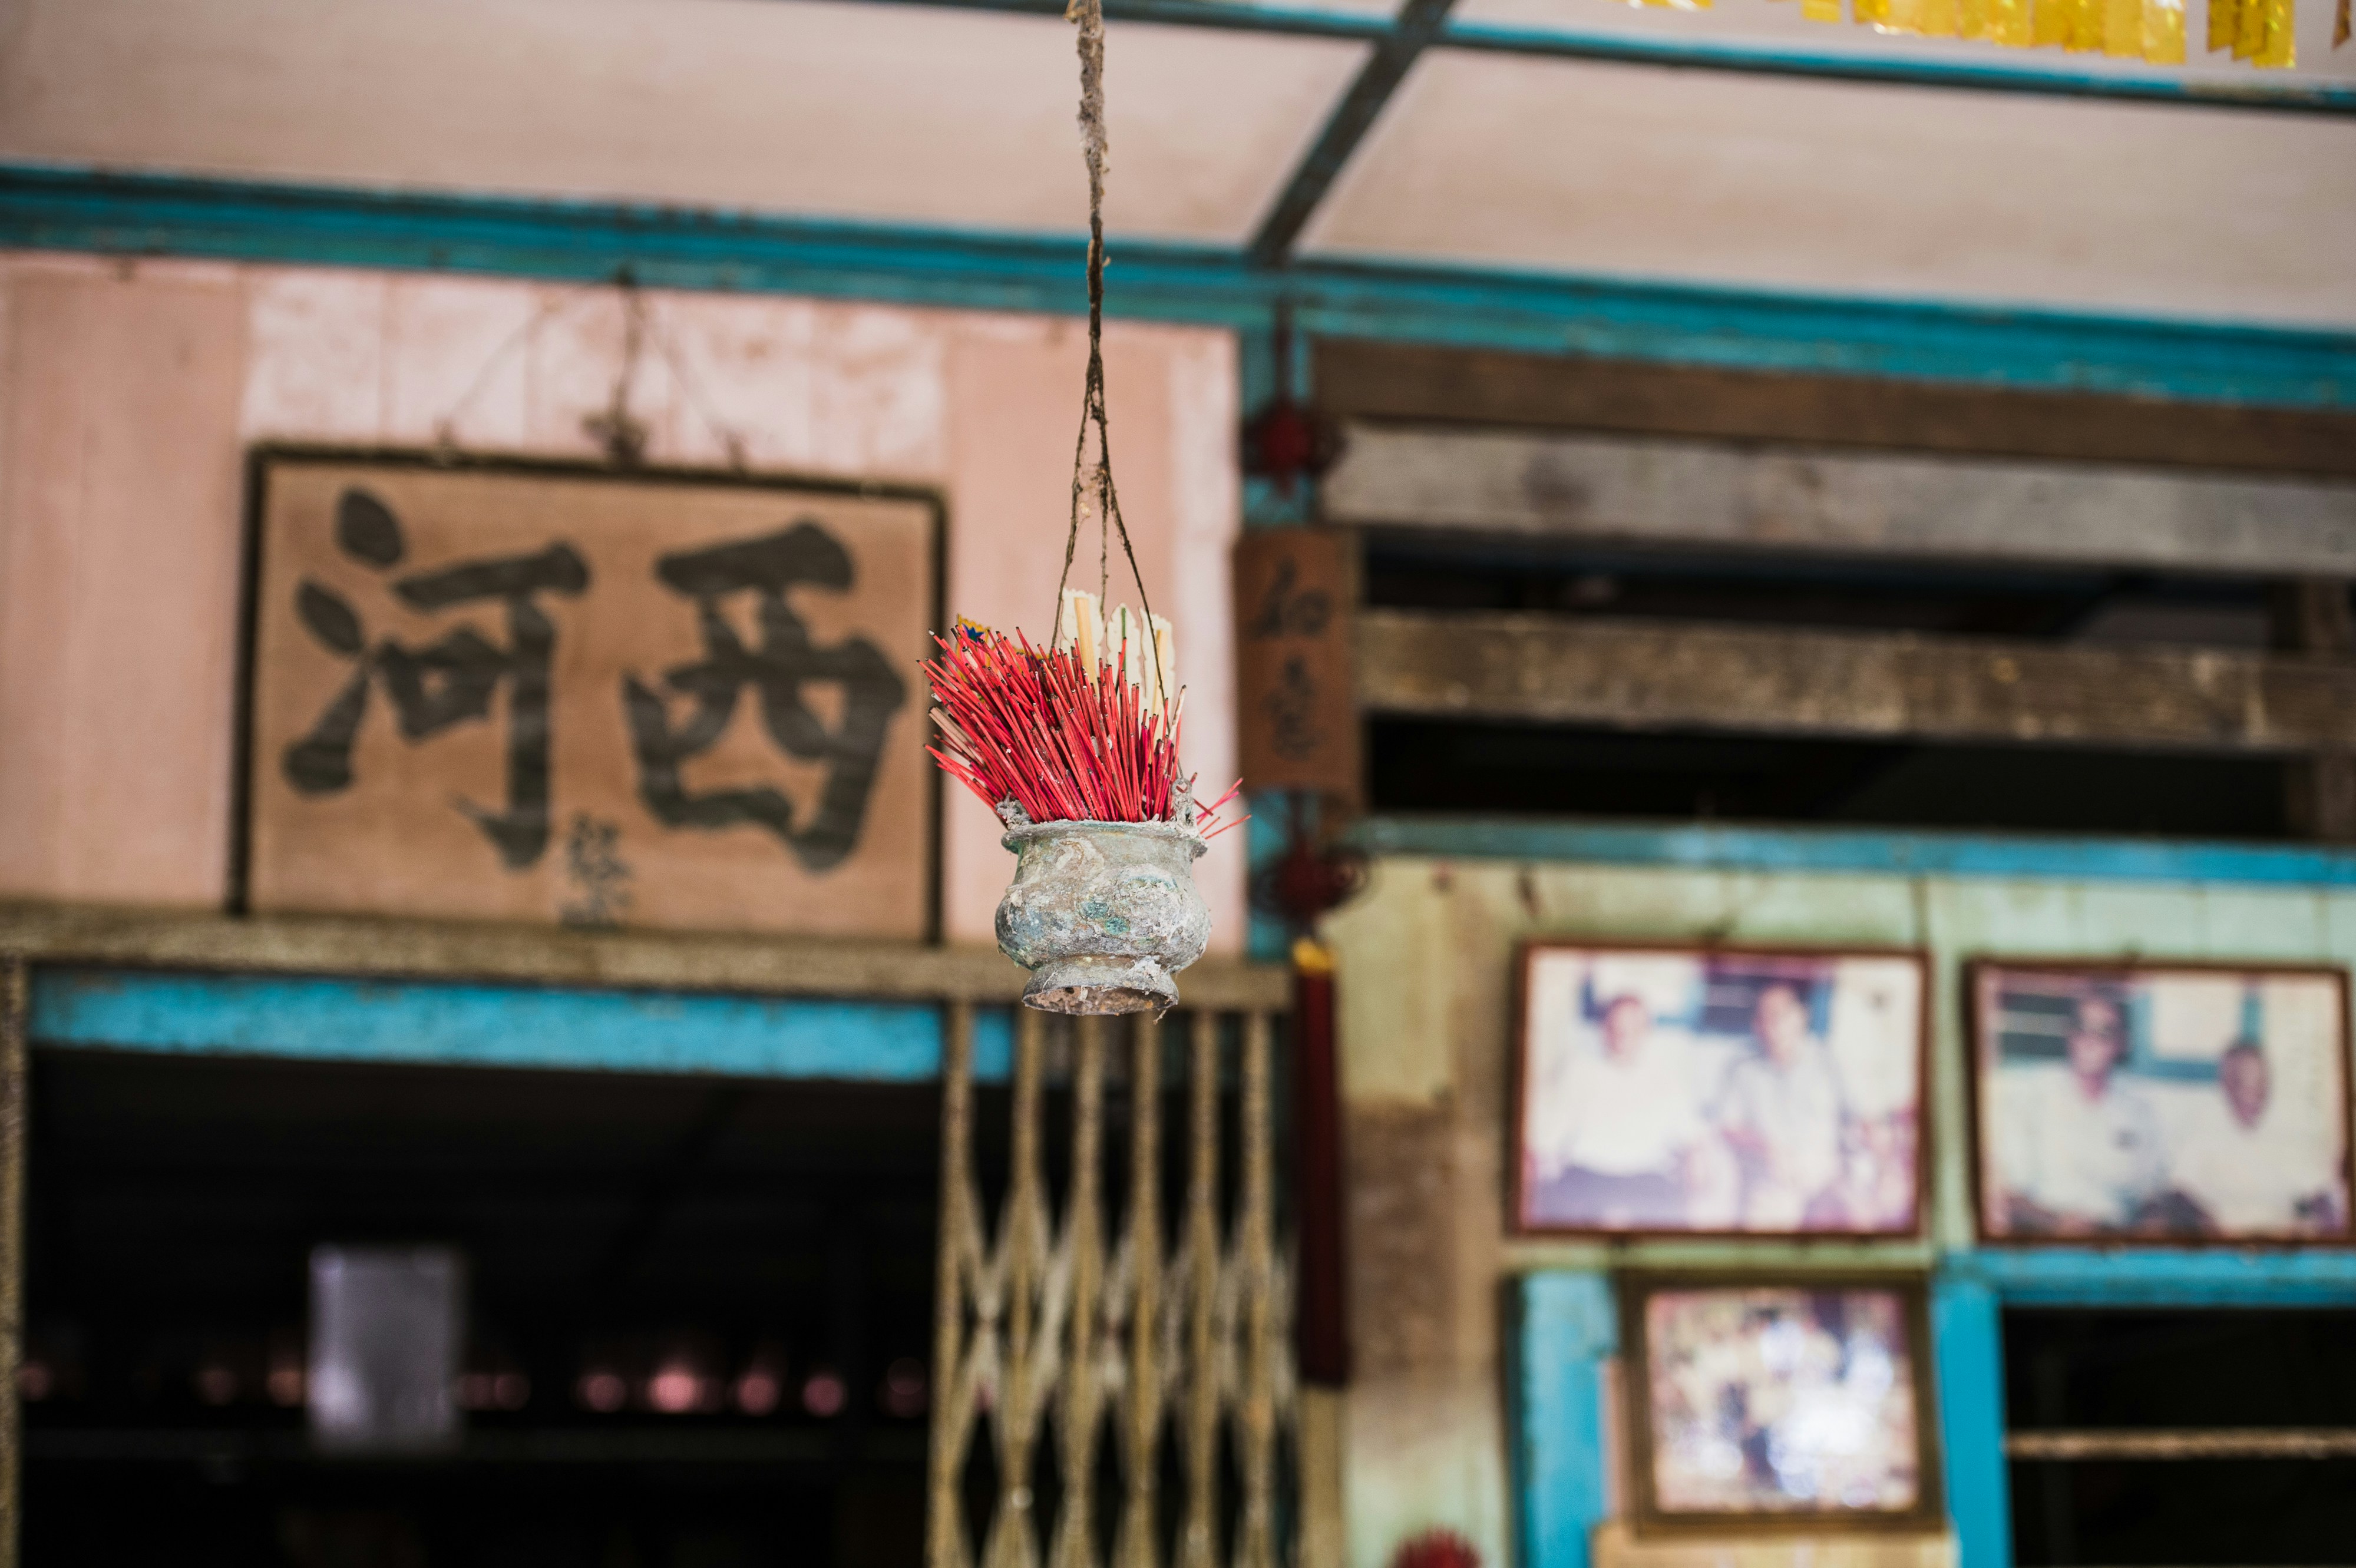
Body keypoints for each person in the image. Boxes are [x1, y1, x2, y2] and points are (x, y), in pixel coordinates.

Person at [1526, 992, 1709, 1228]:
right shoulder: (1578, 1072)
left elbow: (1693, 1141)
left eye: (1632, 1027)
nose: (1622, 1034)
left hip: (1647, 1178)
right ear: (1603, 1028)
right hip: (1587, 1177)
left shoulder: (1667, 1078)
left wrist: (1697, 1175)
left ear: (1645, 1031)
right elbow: (1546, 1138)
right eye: (1615, 1025)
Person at [1994, 995, 2172, 1235]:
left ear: (2121, 1043)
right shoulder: (2032, 1096)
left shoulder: (2139, 1110)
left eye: (2104, 1032)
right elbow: (2006, 1196)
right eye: (2082, 1028)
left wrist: (2145, 1228)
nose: (2090, 1041)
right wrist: (2054, 1223)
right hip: (2047, 1232)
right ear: (2069, 1034)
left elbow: (2153, 1195)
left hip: (2116, 1237)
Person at [2174, 1038, 2345, 1236]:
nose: (2250, 1093)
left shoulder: (2288, 1127)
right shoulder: (2203, 1125)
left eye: (2258, 1083)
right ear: (2225, 1083)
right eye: (2240, 1082)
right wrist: (2206, 1224)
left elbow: (2319, 1194)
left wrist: (2330, 1227)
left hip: (2279, 1242)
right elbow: (2179, 1193)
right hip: (2221, 1240)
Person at [1713, 984, 1848, 1230]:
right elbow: (1727, 1127)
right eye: (1766, 1015)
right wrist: (1767, 1147)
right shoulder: (1742, 1069)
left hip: (1827, 1184)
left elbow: (1861, 1120)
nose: (1774, 1022)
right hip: (1771, 1185)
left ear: (1801, 1017)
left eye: (1783, 1013)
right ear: (1756, 1024)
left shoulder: (1829, 1062)